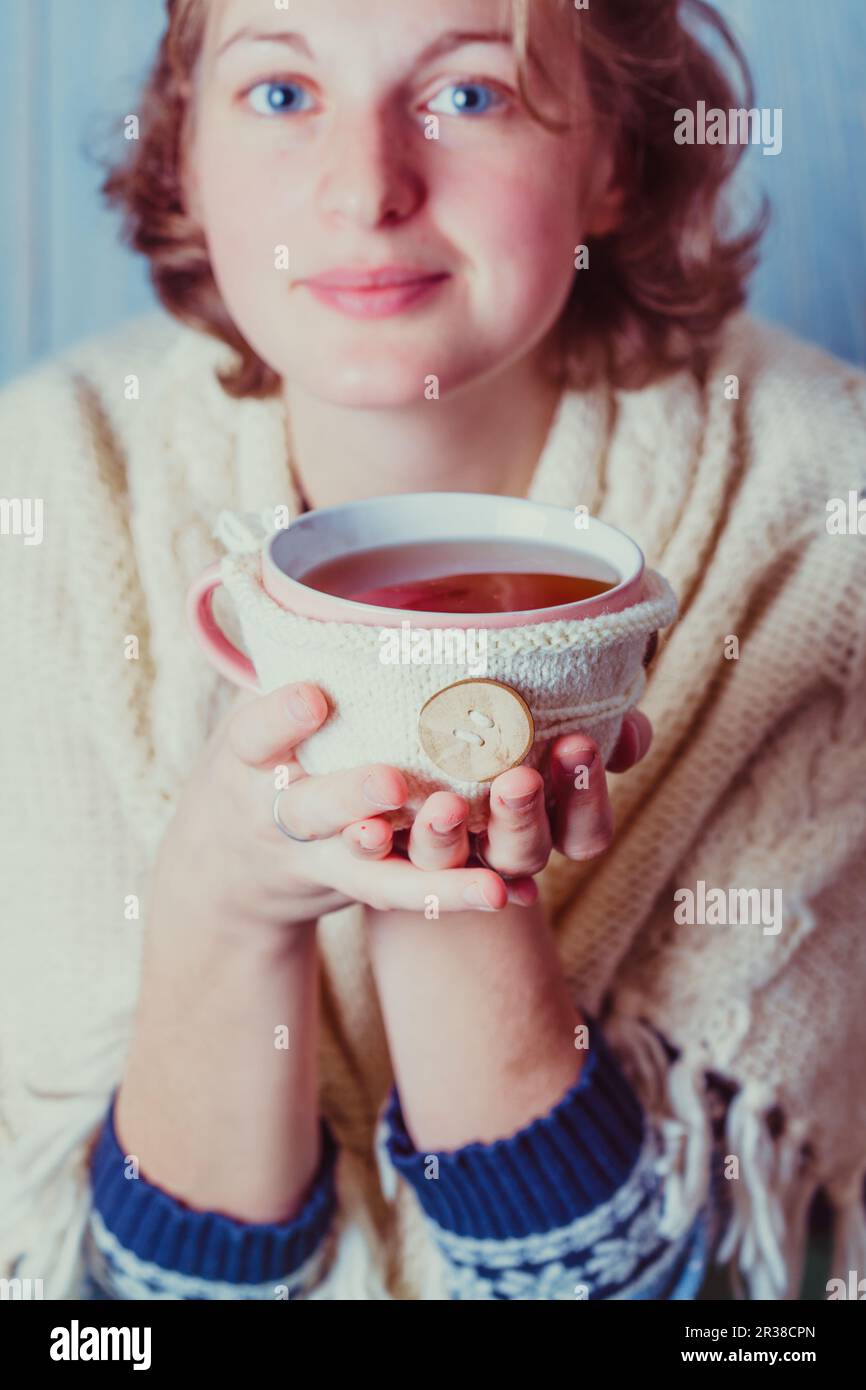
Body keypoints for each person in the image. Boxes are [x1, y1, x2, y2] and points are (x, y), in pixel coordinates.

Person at [1, 0, 864, 1302]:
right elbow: (119, 1320)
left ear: (614, 157)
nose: (363, 189)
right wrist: (222, 902)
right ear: (185, 149)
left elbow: (706, 1312)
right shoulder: (44, 500)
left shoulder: (820, 521)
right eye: (282, 94)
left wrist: (454, 886)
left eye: (468, 94)